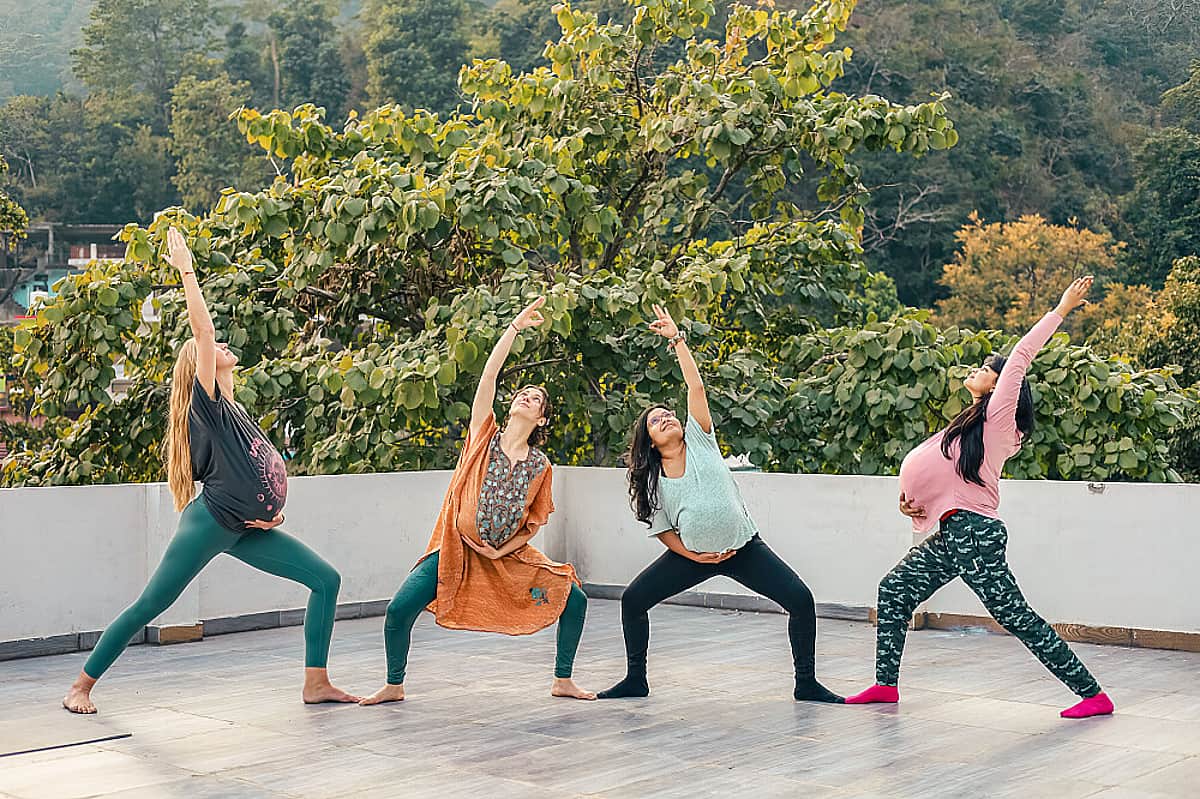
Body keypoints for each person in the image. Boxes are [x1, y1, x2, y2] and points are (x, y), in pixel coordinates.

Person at [63, 228, 357, 714]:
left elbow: (252, 472)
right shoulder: (211, 405)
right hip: (208, 525)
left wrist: (271, 515)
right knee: (149, 607)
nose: (220, 347)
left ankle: (316, 682)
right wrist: (186, 268)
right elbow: (202, 331)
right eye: (213, 349)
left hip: (246, 528)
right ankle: (80, 687)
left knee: (325, 579)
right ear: (199, 366)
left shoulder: (235, 410)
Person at [845, 276, 1114, 719]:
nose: (978, 369)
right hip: (954, 531)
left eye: (987, 367)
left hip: (974, 534)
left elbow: (1023, 353)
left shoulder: (998, 417)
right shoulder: (969, 424)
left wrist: (1062, 307)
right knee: (894, 589)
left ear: (998, 385)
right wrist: (910, 505)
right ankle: (885, 686)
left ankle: (1093, 695)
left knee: (1015, 616)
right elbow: (946, 483)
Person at [598, 305, 842, 703]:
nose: (665, 419)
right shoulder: (653, 477)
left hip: (744, 549)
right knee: (633, 600)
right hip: (692, 558)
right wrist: (693, 558)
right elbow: (662, 529)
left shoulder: (700, 439)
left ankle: (806, 683)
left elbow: (695, 389)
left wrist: (677, 340)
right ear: (650, 441)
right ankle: (635, 679)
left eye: (667, 415)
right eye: (655, 422)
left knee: (801, 600)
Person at [360, 297, 594, 704]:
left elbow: (534, 523)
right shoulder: (483, 439)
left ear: (542, 420)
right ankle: (394, 685)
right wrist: (514, 329)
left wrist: (502, 548)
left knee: (574, 598)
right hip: (456, 551)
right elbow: (488, 377)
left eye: (535, 399)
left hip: (506, 557)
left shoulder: (541, 465)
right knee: (399, 609)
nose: (525, 397)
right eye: (522, 392)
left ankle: (563, 679)